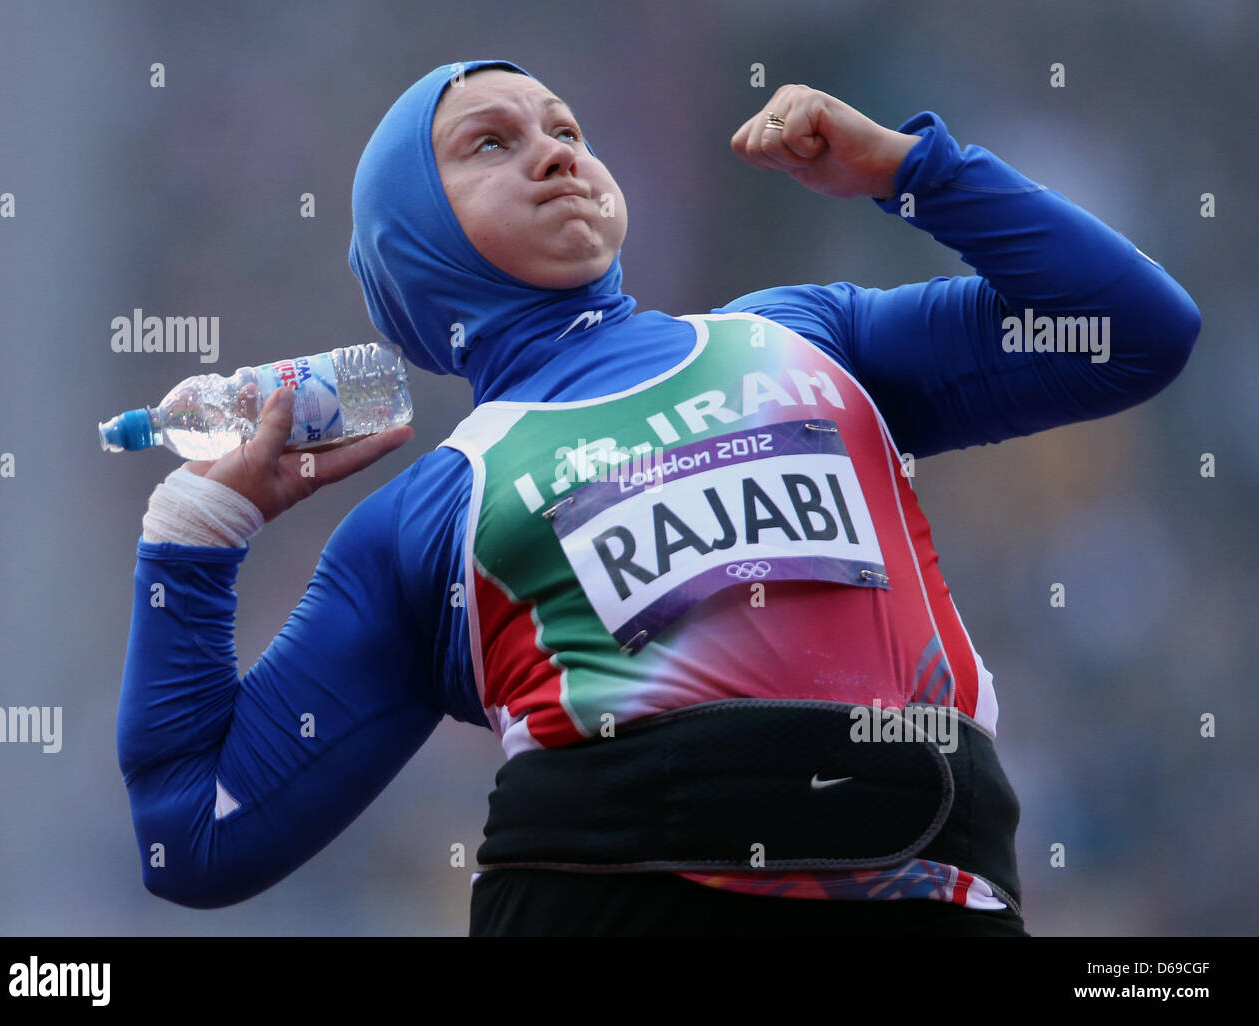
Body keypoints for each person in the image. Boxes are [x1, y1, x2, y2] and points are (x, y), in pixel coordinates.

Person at [116, 58, 1200, 937]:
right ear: (411, 237)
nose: (552, 150)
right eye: (491, 143)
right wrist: (195, 535)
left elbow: (1136, 333)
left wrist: (914, 170)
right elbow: (192, 842)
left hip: (928, 887)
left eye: (565, 128)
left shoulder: (799, 334)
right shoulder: (424, 519)